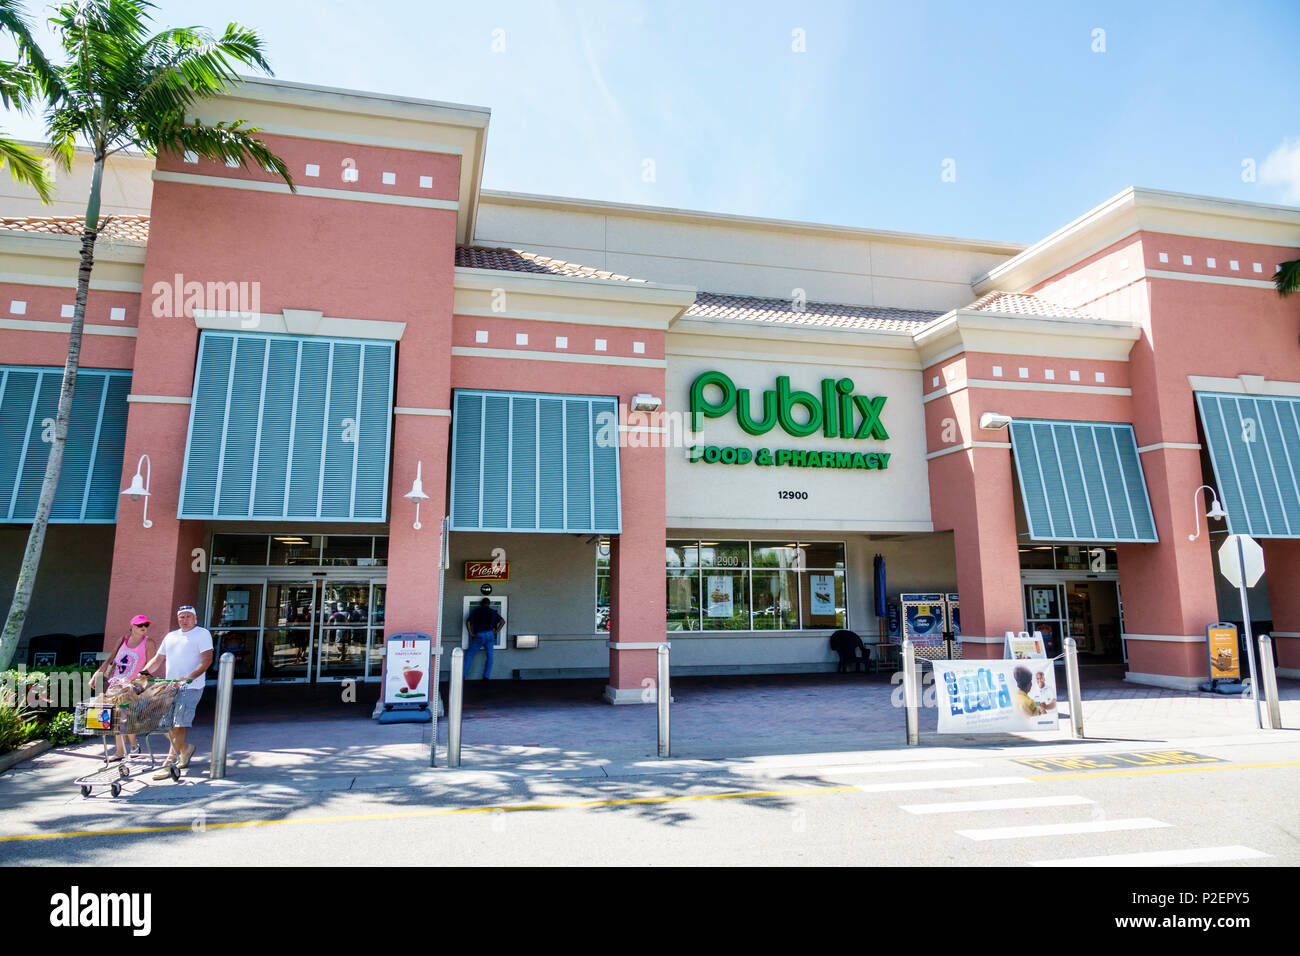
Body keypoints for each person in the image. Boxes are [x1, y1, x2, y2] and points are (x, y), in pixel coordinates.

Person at [140, 606, 213, 779]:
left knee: (179, 724)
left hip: (191, 687)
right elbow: (158, 659)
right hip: (169, 687)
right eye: (181, 617)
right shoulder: (171, 636)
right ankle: (185, 749)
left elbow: (207, 659)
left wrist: (190, 676)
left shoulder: (202, 634)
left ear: (195, 618)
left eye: (188, 616)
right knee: (164, 724)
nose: (184, 619)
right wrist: (143, 673)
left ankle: (169, 762)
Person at [94, 614, 153, 761]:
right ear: (132, 626)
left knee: (122, 717)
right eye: (140, 625)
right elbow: (110, 659)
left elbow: (150, 666)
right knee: (117, 717)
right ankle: (133, 746)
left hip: (133, 687)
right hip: (115, 685)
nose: (144, 628)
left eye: (146, 625)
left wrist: (139, 680)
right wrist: (98, 674)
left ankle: (121, 751)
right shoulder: (122, 640)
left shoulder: (148, 643)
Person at [463, 598, 504, 680]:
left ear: (481, 604)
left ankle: (462, 675)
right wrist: (496, 631)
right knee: (490, 656)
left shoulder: (476, 611)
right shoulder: (493, 612)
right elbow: (503, 621)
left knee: (469, 654)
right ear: (489, 604)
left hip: (480, 635)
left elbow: (468, 622)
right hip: (490, 634)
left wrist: (471, 633)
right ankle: (486, 676)